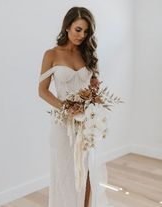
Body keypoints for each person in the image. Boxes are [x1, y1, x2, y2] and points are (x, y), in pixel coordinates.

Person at [38, 7, 109, 207]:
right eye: (78, 29)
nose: (82, 35)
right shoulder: (51, 54)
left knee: (88, 171)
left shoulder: (88, 54)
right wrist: (65, 108)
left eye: (86, 32)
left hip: (87, 123)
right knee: (64, 173)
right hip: (63, 125)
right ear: (67, 26)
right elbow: (42, 90)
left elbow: (94, 89)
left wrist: (95, 96)